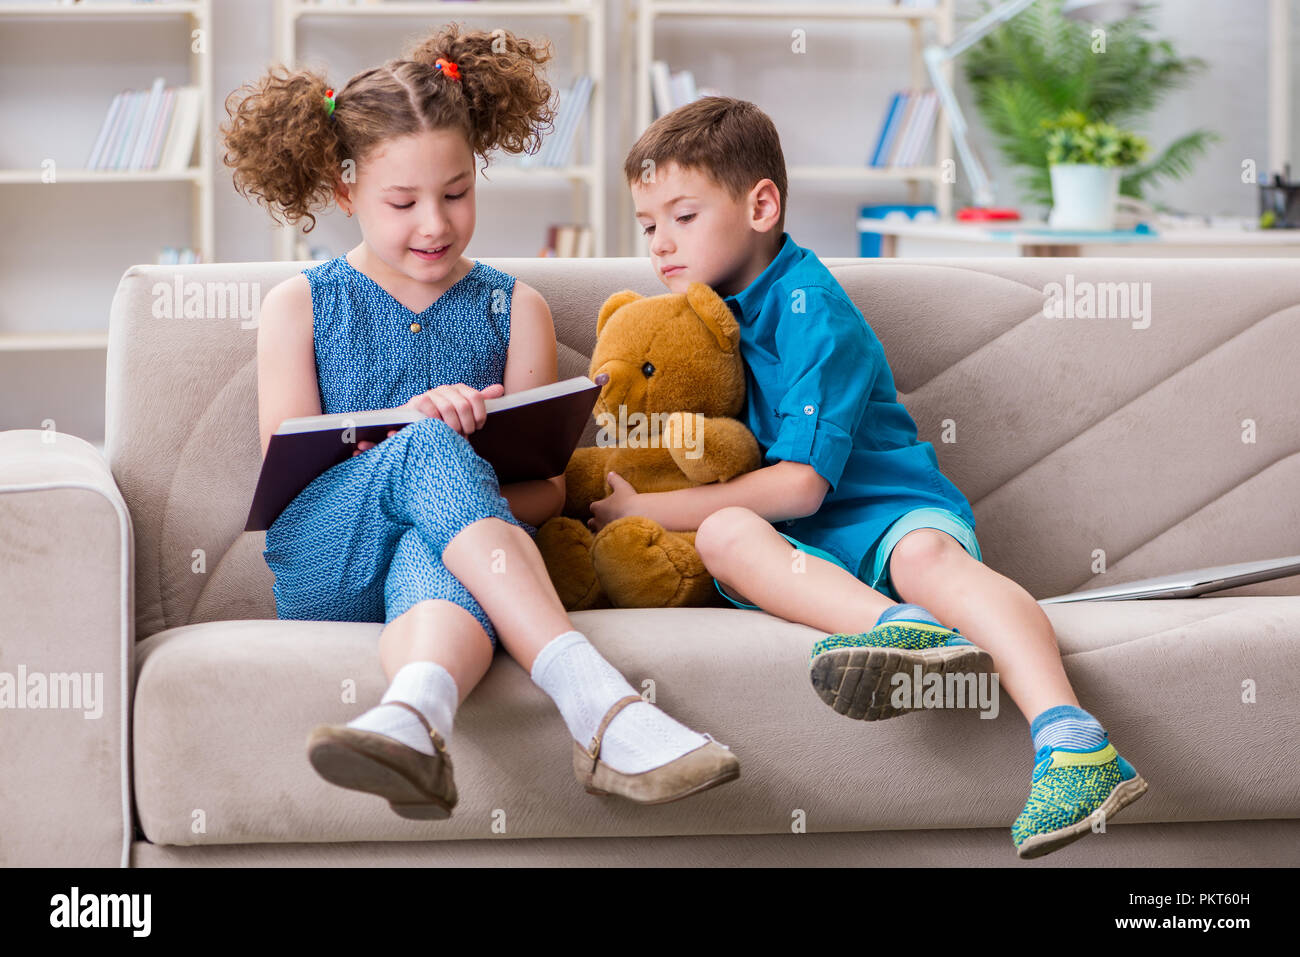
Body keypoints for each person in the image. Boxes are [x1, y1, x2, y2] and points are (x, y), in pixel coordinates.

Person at [590, 94, 1147, 859]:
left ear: (761, 205)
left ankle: (1072, 739)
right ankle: (890, 632)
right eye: (648, 225)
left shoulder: (811, 306)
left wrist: (645, 507)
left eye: (682, 217)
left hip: (888, 508)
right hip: (807, 548)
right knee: (722, 534)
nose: (660, 244)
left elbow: (800, 486)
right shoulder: (701, 315)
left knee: (923, 560)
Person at [219, 24, 738, 820]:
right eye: (402, 202)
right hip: (328, 554)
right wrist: (415, 432)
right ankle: (595, 700)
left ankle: (413, 718)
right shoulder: (299, 304)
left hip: (464, 560)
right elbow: (291, 478)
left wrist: (462, 475)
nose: (434, 223)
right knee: (429, 443)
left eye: (456, 193)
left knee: (436, 555)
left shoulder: (513, 307)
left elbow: (545, 492)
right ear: (345, 191)